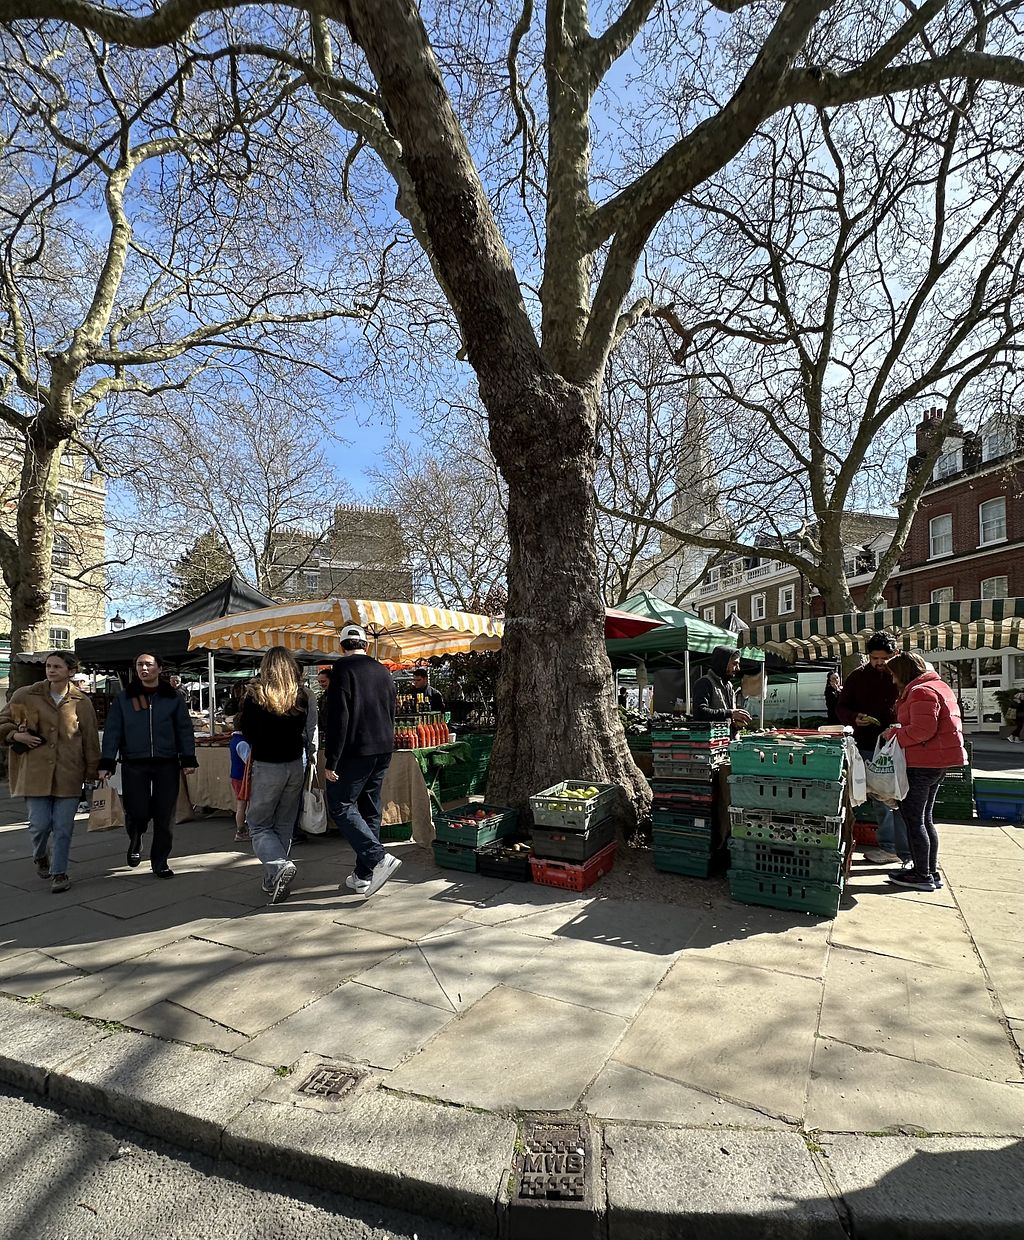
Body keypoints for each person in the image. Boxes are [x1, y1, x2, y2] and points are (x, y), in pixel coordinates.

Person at [0, 651, 100, 893]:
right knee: (39, 825)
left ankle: (60, 873)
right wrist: (16, 735)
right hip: (34, 773)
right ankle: (40, 854)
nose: (51, 670)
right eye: (48, 666)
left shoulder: (82, 703)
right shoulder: (26, 694)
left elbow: (90, 741)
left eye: (57, 666)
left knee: (64, 828)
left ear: (71, 671)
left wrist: (92, 773)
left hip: (69, 773)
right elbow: (2, 722)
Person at [96, 652, 197, 878]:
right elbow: (113, 731)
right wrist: (107, 762)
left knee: (165, 814)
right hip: (135, 762)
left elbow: (184, 728)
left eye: (149, 664)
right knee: (137, 810)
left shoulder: (173, 697)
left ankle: (160, 861)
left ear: (159, 669)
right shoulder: (125, 698)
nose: (144, 668)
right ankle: (136, 836)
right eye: (140, 664)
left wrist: (188, 757)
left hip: (167, 762)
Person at [325, 623, 402, 898]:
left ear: (341, 645)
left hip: (356, 749)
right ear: (365, 645)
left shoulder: (342, 670)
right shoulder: (383, 670)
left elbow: (339, 719)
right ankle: (364, 875)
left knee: (341, 803)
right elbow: (392, 710)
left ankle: (377, 858)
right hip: (383, 747)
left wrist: (331, 761)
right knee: (370, 807)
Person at [237, 646, 317, 903]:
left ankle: (279, 865)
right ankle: (274, 877)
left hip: (267, 764)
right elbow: (309, 729)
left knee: (258, 824)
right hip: (294, 763)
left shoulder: (255, 695)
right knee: (284, 823)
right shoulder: (302, 696)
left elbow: (247, 732)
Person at [884, 652, 967, 892]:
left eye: (893, 674)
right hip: (936, 762)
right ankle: (929, 870)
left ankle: (922, 874)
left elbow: (922, 731)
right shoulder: (937, 686)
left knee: (914, 820)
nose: (892, 680)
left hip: (922, 763)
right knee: (924, 819)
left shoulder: (921, 691)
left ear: (904, 672)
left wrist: (893, 734)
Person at [835, 631, 909, 866]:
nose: (878, 663)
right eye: (874, 658)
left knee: (899, 797)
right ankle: (888, 847)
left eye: (883, 658)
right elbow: (842, 707)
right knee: (879, 798)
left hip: (898, 745)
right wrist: (855, 717)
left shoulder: (902, 674)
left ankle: (903, 849)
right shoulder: (857, 676)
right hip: (866, 745)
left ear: (894, 654)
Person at [690, 646, 751, 732]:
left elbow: (728, 716)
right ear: (723, 663)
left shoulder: (729, 685)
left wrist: (735, 722)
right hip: (711, 740)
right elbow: (700, 713)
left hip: (728, 740)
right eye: (734, 664)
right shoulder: (704, 683)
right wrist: (730, 713)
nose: (738, 668)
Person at [228, 728, 251, 843]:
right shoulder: (242, 742)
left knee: (242, 804)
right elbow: (249, 761)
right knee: (243, 804)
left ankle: (242, 830)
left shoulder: (235, 740)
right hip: (242, 777)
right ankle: (241, 831)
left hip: (237, 776)